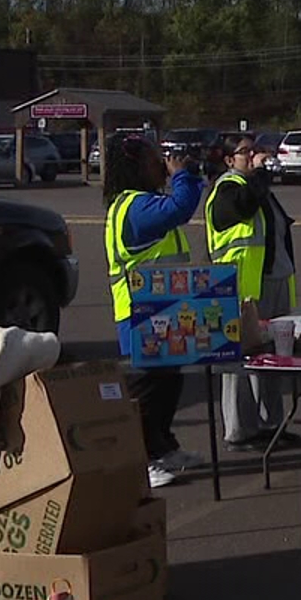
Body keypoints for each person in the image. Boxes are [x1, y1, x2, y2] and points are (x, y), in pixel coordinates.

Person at [104, 135, 205, 489]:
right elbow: (180, 208)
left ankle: (163, 447)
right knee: (146, 390)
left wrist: (189, 173)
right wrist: (181, 176)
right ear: (136, 166)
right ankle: (141, 460)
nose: (160, 165)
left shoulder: (143, 202)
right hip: (139, 311)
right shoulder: (134, 207)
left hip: (164, 308)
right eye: (154, 160)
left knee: (168, 382)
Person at [207, 138, 300, 450]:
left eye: (255, 149)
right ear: (229, 160)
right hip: (243, 290)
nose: (253, 155)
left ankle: (271, 424)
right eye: (245, 151)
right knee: (240, 364)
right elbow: (242, 206)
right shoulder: (226, 189)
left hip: (273, 282)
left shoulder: (259, 188)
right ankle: (240, 431)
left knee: (272, 357)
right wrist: (260, 172)